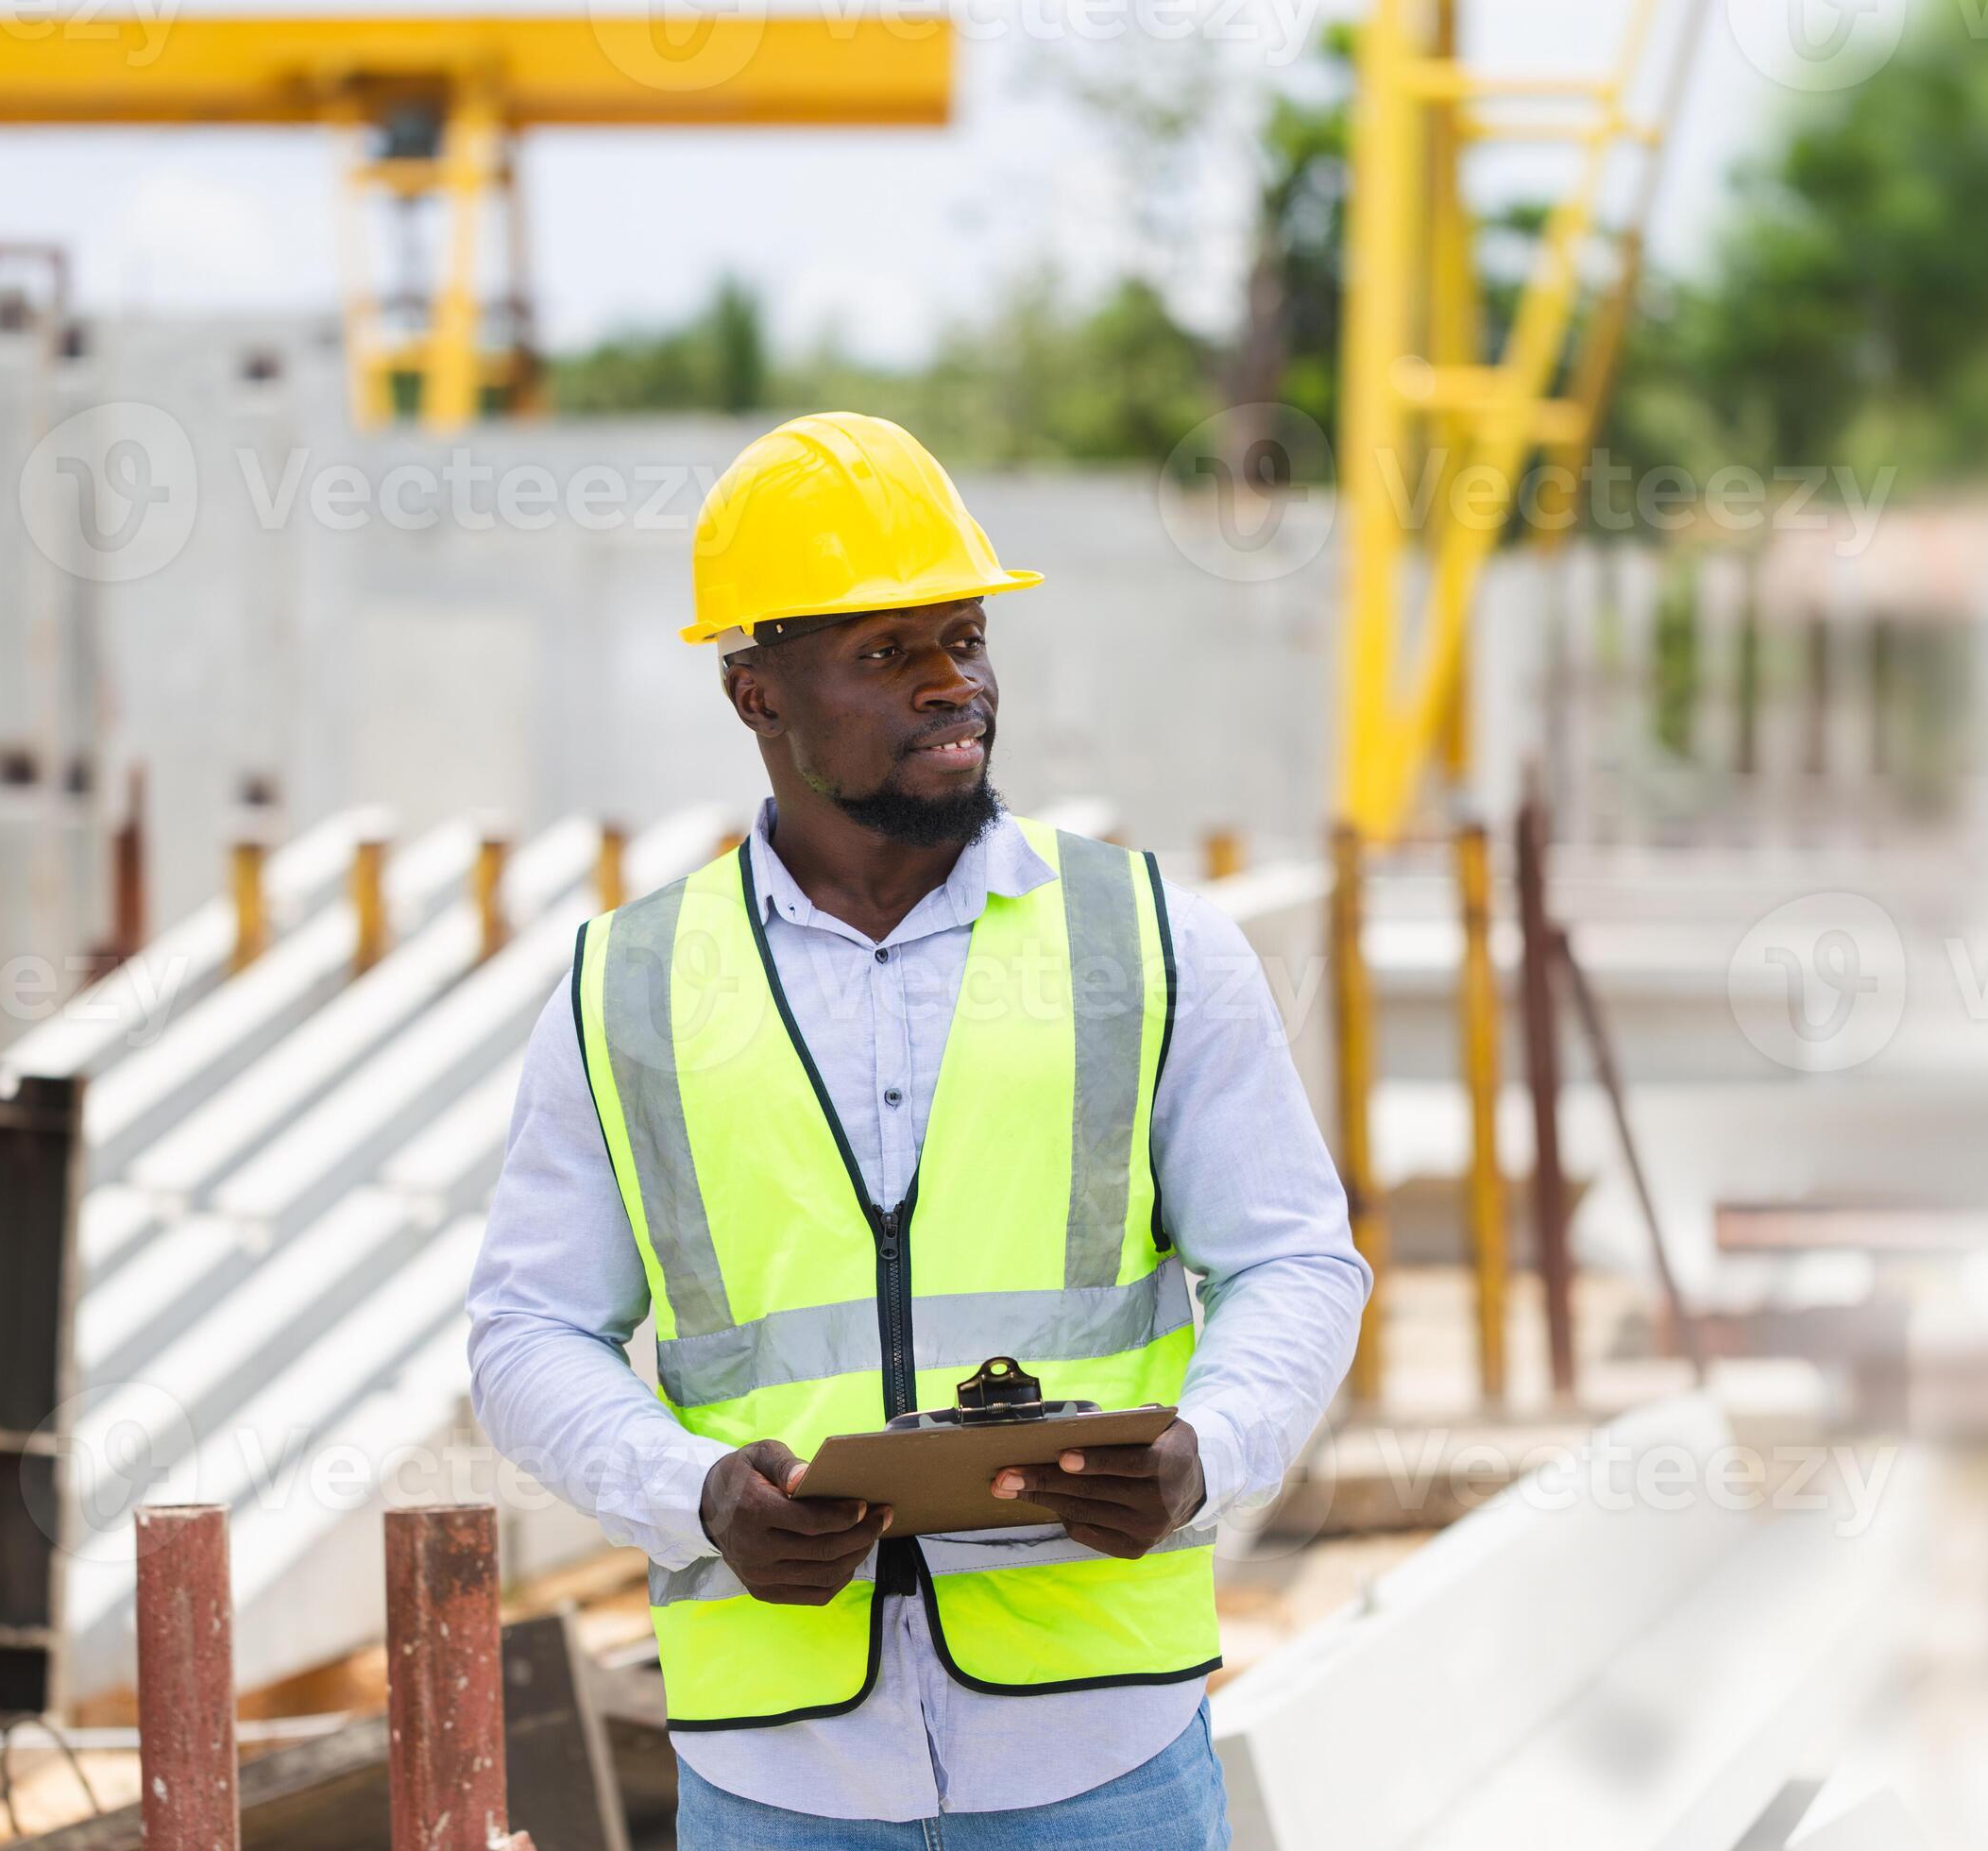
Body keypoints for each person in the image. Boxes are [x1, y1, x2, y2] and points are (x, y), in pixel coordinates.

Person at [467, 412, 1368, 1848]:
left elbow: (1297, 1264)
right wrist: (692, 1495)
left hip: (1099, 1740)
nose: (951, 684)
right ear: (755, 693)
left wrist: (1209, 1446)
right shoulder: (629, 986)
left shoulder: (1145, 944)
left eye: (963, 638)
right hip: (783, 1769)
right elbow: (526, 1333)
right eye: (887, 654)